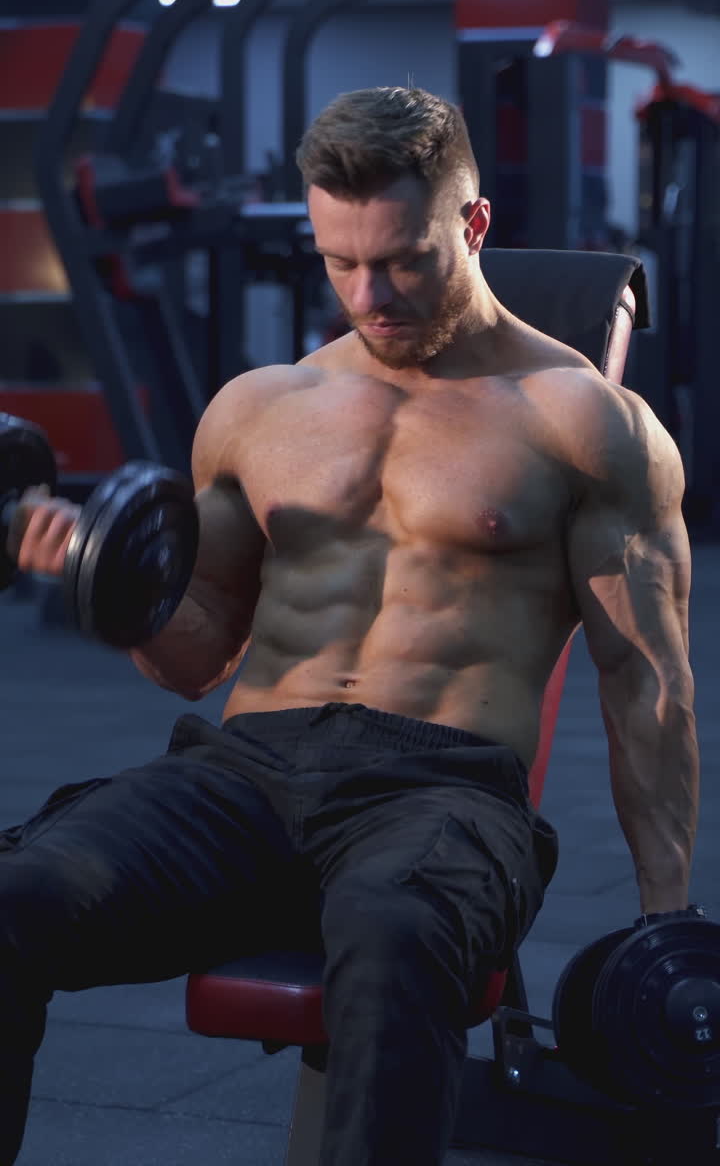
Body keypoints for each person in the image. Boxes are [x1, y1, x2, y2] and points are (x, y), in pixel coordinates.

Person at [7, 87, 697, 1166]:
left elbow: (647, 680)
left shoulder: (585, 423)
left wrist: (666, 924)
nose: (368, 295)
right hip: (241, 773)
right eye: (339, 261)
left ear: (471, 226)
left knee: (393, 937)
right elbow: (193, 656)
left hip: (438, 784)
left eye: (400, 259)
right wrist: (112, 591)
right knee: (18, 895)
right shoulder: (258, 407)